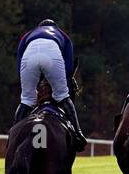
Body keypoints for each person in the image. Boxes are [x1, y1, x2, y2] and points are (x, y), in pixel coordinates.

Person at [14, 19, 86, 150]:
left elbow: (19, 65)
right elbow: (69, 69)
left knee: (26, 101)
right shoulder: (63, 35)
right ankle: (78, 134)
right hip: (52, 56)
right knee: (63, 96)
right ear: (55, 27)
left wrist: (31, 83)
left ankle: (13, 137)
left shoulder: (28, 35)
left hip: (28, 58)